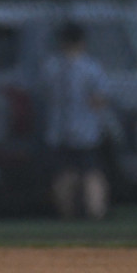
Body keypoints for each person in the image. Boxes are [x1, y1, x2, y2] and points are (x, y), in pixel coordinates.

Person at [40, 21, 111, 220]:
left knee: (64, 175)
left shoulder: (51, 67)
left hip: (58, 131)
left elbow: (44, 95)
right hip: (86, 131)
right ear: (82, 41)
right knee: (92, 174)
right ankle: (96, 213)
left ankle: (68, 215)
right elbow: (100, 99)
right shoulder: (91, 67)